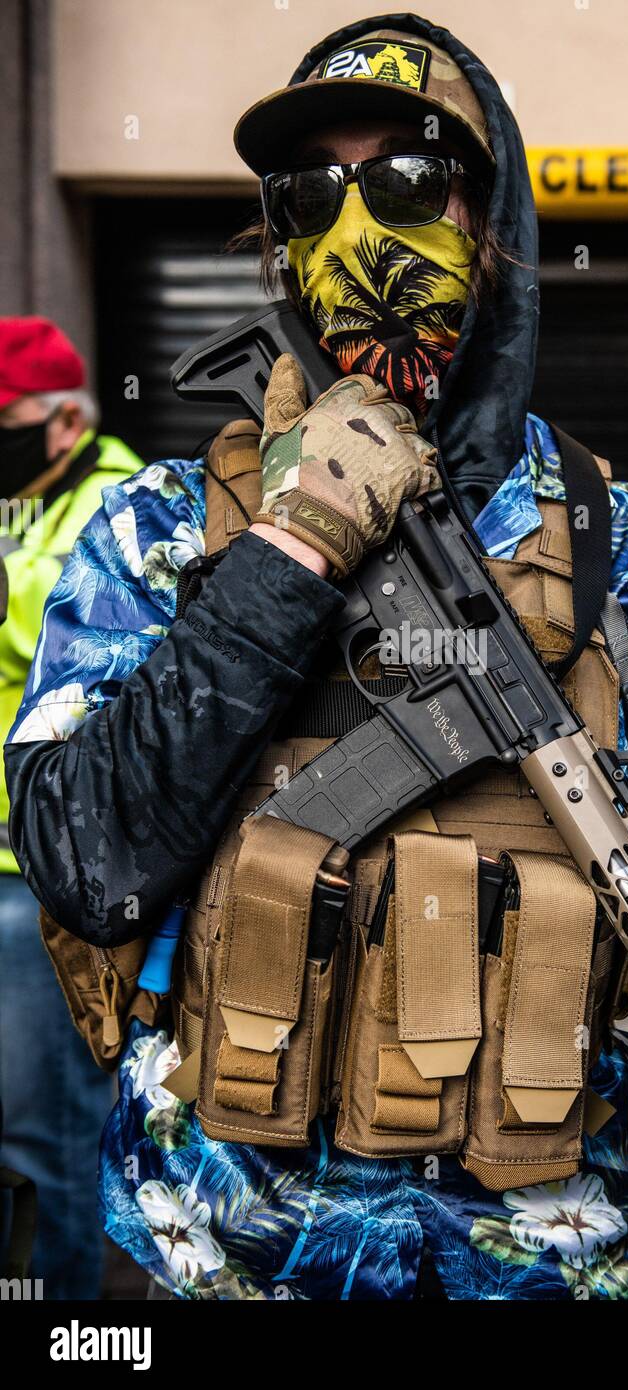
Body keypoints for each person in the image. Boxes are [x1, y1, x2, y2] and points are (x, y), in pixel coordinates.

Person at [5, 17, 628, 1301]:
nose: (355, 229)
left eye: (404, 181)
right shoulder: (161, 529)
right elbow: (81, 863)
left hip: (560, 1257)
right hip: (235, 1256)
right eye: (306, 195)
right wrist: (288, 549)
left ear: (492, 214)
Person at [0, 317, 142, 1297]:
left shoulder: (115, 505)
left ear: (62, 421)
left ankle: (67, 1316)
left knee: (46, 1128)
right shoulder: (18, 501)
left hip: (37, 881)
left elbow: (63, 627)